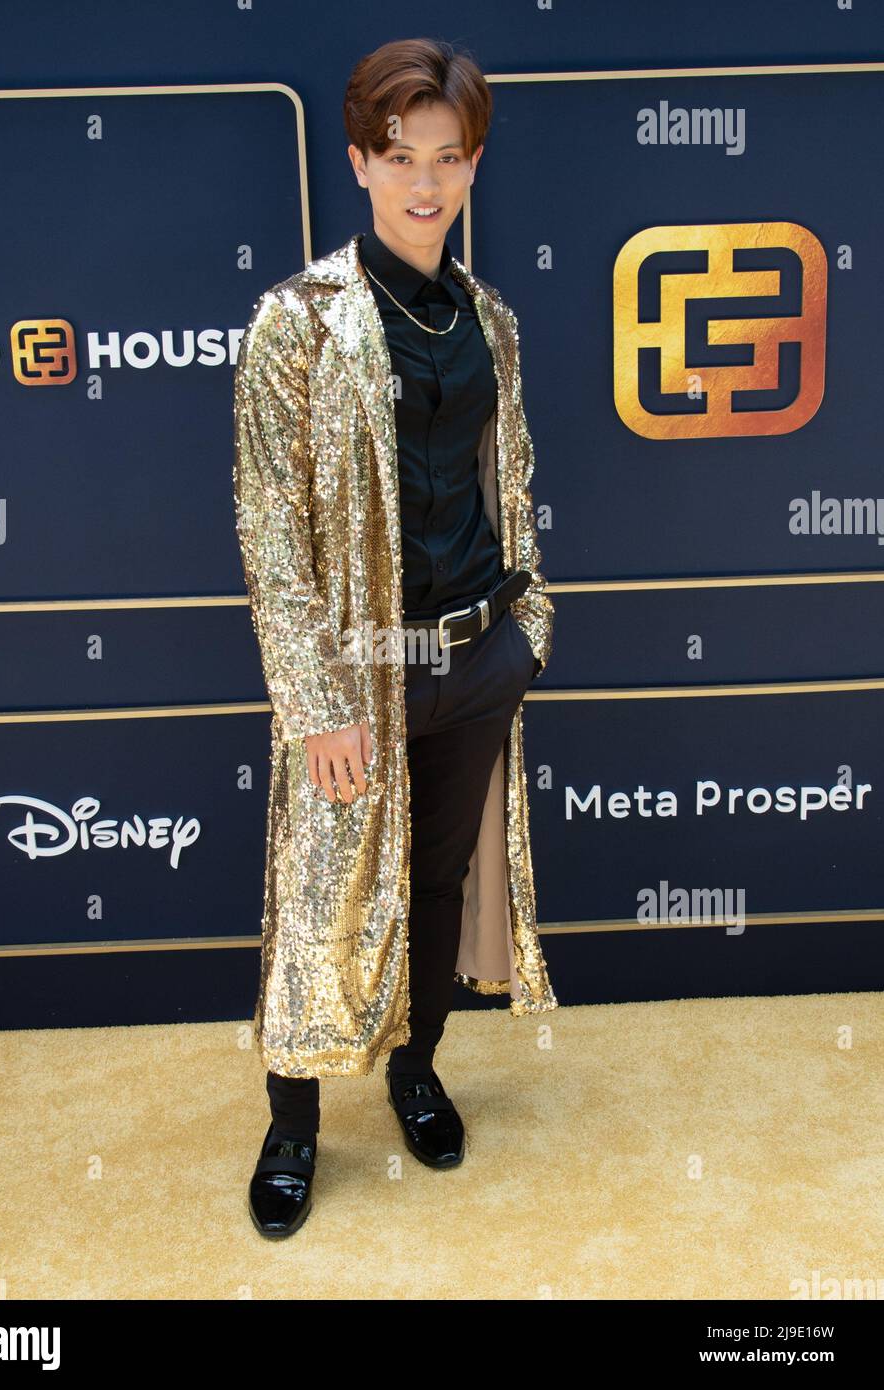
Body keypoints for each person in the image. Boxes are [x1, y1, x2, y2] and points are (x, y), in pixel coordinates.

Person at [233, 37, 557, 1239]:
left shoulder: (492, 320)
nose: (427, 183)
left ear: (471, 167)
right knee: (323, 898)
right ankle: (294, 1125)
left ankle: (416, 1072)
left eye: (450, 159)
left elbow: (507, 478)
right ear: (362, 162)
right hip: (353, 677)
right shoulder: (297, 323)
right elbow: (270, 532)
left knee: (431, 890)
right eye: (402, 156)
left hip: (474, 657)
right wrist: (313, 702)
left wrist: (527, 625)